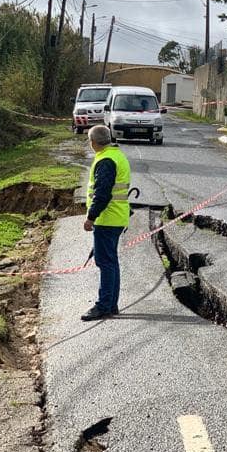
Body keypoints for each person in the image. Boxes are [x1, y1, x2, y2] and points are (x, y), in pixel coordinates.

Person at [82, 125, 131, 321]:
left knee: (105, 262)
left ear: (93, 142)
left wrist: (90, 217)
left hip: (107, 219)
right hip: (116, 217)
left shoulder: (106, 160)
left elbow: (102, 193)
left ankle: (103, 305)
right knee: (111, 262)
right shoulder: (116, 155)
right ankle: (111, 304)